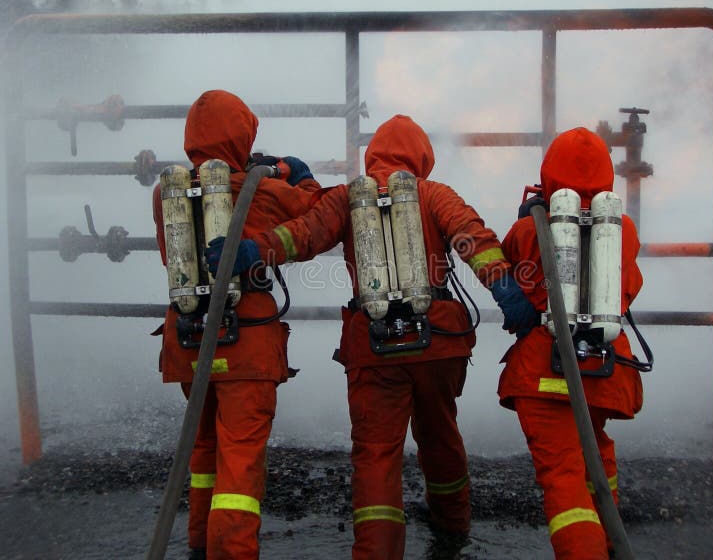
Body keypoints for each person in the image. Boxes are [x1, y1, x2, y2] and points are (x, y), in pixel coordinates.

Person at [205, 114, 538, 559]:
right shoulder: (433, 192)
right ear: (421, 157)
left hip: (374, 347)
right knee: (439, 436)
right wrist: (505, 287)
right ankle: (452, 527)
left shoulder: (347, 199)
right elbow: (471, 239)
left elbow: (302, 236)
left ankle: (377, 550)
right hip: (437, 343)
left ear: (372, 155)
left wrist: (251, 252)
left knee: (377, 456)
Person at [152, 89, 320, 559]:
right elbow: (317, 215)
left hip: (188, 341)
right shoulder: (259, 190)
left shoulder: (165, 193)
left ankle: (200, 544)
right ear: (242, 135)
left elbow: (173, 257)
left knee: (204, 449)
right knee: (240, 466)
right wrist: (300, 173)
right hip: (244, 344)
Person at [497, 127, 644, 559]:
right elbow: (628, 288)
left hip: (546, 373)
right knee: (595, 454)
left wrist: (529, 215)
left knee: (563, 478)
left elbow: (515, 269)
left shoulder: (529, 229)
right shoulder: (624, 231)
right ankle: (609, 540)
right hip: (603, 369)